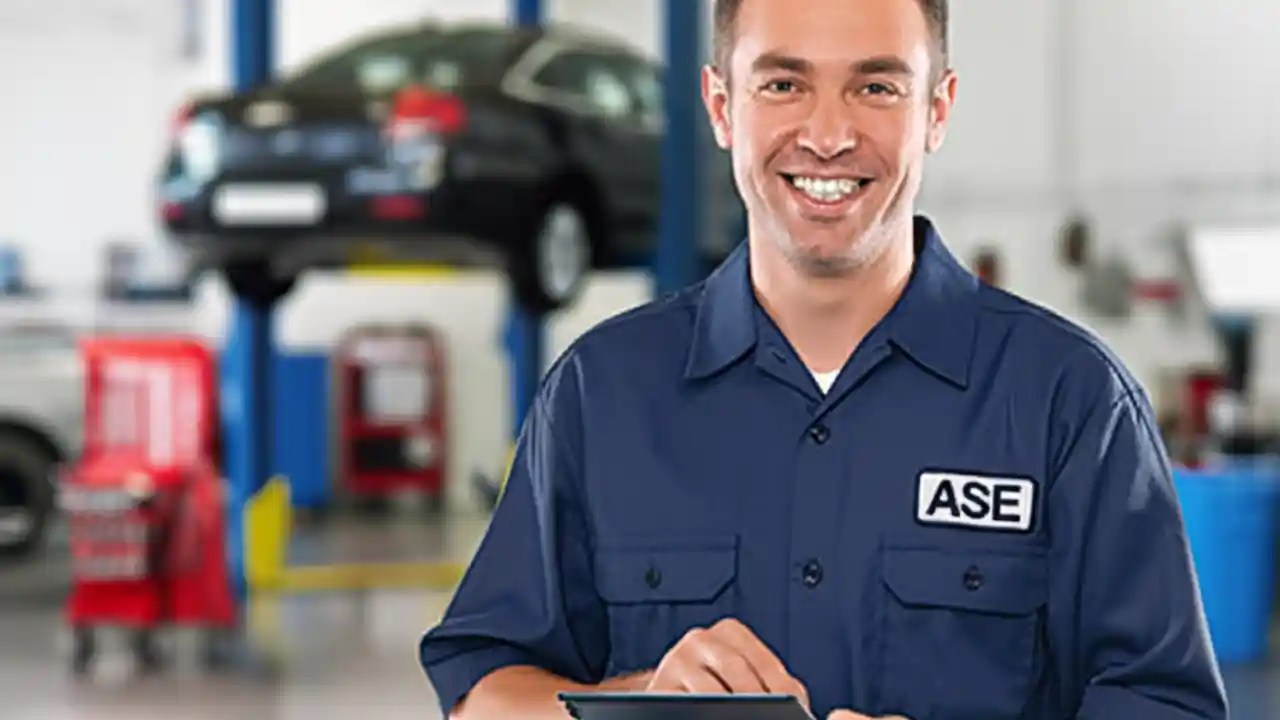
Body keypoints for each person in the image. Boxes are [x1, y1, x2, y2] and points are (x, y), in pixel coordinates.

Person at [419, 0, 1229, 717]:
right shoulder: (602, 395)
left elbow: (1165, 702)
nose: (829, 136)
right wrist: (640, 704)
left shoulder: (1070, 402)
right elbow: (482, 693)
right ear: (721, 106)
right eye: (784, 84)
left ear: (937, 110)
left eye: (876, 87)